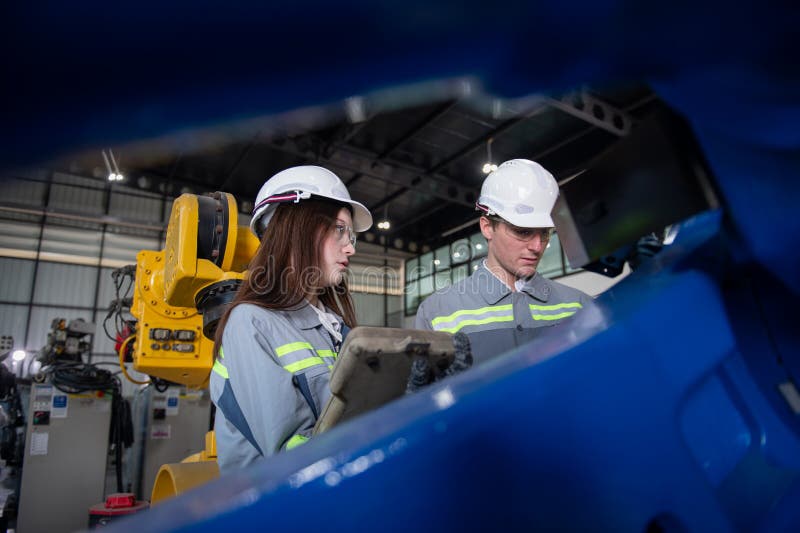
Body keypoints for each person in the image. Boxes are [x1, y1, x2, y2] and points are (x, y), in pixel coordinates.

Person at [210, 165, 372, 471]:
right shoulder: (251, 324)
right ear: (298, 228)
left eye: (351, 235)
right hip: (280, 510)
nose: (350, 247)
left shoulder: (335, 327)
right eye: (340, 230)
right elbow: (292, 455)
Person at [415, 159, 593, 366]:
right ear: (487, 227)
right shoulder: (437, 313)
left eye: (545, 233)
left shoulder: (579, 305)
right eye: (522, 231)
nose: (537, 246)